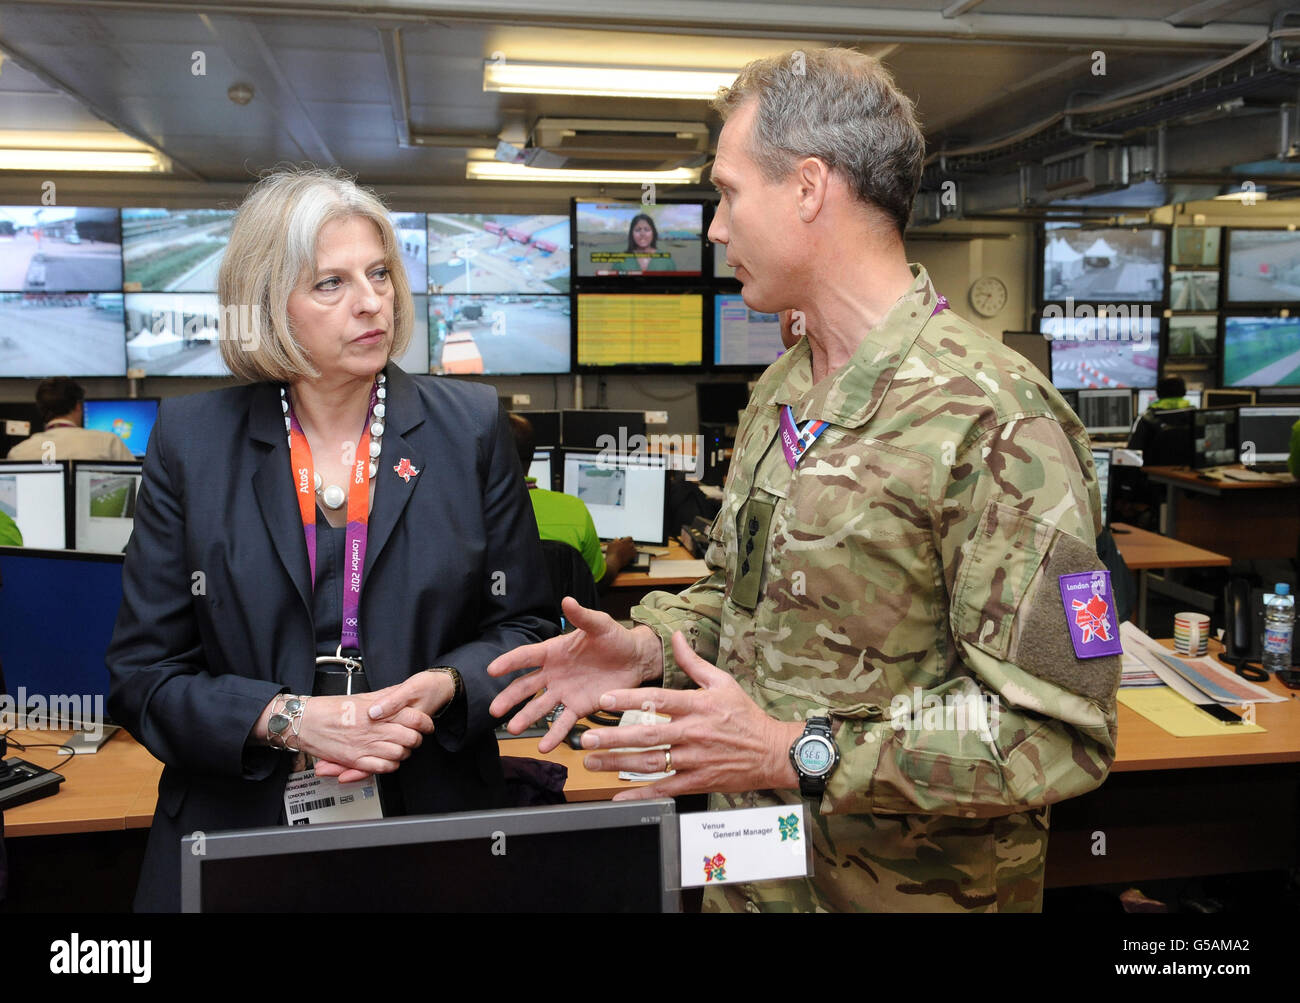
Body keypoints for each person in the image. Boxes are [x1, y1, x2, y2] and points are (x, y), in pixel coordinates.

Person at [489, 48, 1121, 913]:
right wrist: (645, 650)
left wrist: (796, 750)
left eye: (727, 191)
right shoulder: (782, 390)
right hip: (746, 884)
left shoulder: (997, 419)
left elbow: (1056, 732)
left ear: (809, 187)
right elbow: (738, 600)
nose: (713, 227)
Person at [106, 167, 557, 912]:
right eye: (331, 283)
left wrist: (446, 686)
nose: (372, 300)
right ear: (268, 303)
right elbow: (143, 676)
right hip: (240, 834)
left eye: (379, 273)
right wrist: (288, 719)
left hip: (430, 831)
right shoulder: (192, 441)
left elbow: (526, 626)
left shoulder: (469, 427)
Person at [506, 412, 636, 589]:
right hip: (560, 616)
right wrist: (616, 557)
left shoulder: (468, 514)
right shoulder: (574, 508)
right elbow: (598, 581)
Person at [6, 378, 135, 461]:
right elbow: (138, 485)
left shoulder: (18, 453)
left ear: (41, 409)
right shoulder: (108, 443)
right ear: (78, 406)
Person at [611, 213, 675, 272]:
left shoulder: (667, 260)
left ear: (653, 233)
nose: (642, 234)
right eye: (637, 230)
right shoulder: (620, 261)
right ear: (632, 234)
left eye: (647, 229)